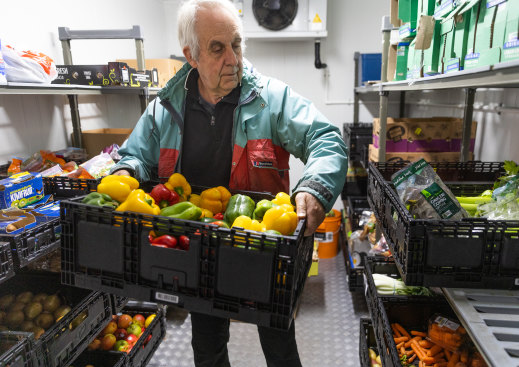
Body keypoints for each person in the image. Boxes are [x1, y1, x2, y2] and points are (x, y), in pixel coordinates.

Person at [111, 0, 348, 365]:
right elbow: (134, 157)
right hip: (200, 247)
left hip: (265, 250)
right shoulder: (164, 108)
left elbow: (326, 139)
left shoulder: (271, 99)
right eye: (217, 48)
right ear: (191, 55)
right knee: (206, 345)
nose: (232, 59)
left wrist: (315, 187)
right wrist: (124, 173)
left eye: (236, 44)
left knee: (280, 344)